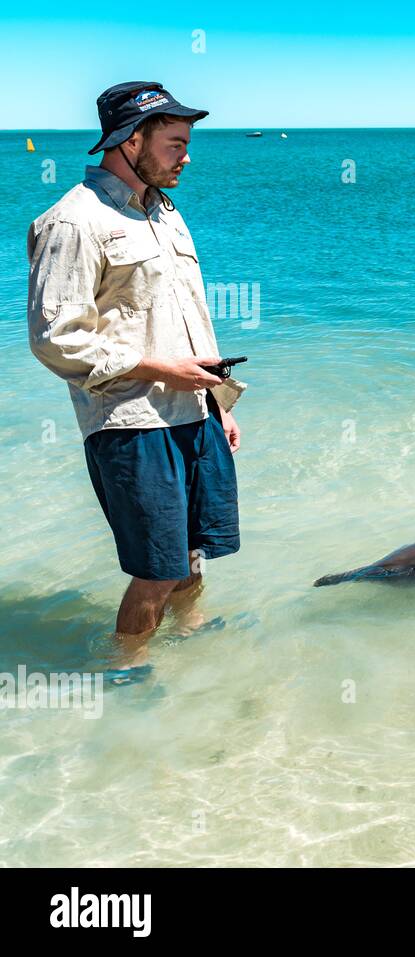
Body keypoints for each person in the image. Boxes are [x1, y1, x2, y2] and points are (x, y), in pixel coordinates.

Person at [26, 81, 246, 679]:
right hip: (131, 421)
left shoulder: (166, 214)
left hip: (193, 413)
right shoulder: (72, 221)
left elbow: (189, 317)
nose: (186, 156)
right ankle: (129, 672)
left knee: (193, 554)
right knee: (155, 567)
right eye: (175, 143)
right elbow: (57, 337)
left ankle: (195, 641)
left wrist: (217, 401)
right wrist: (158, 371)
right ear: (130, 139)